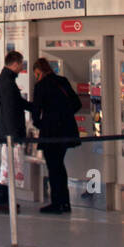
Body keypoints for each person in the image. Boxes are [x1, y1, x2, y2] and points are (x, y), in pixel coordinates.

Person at [30, 57, 81, 214]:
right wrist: (65, 116)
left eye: (36, 74)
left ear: (39, 72)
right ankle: (65, 203)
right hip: (67, 130)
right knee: (59, 165)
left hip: (51, 133)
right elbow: (77, 103)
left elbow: (35, 113)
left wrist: (43, 124)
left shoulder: (40, 86)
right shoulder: (62, 81)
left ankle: (57, 203)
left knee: (53, 167)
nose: (36, 77)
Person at [0, 50, 29, 212]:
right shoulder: (7, 83)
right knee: (7, 168)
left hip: (7, 132)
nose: (22, 67)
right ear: (15, 64)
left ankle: (4, 199)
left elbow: (16, 103)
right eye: (21, 64)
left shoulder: (4, 80)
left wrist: (33, 107)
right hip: (10, 133)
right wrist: (13, 135)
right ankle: (2, 200)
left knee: (6, 166)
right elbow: (9, 110)